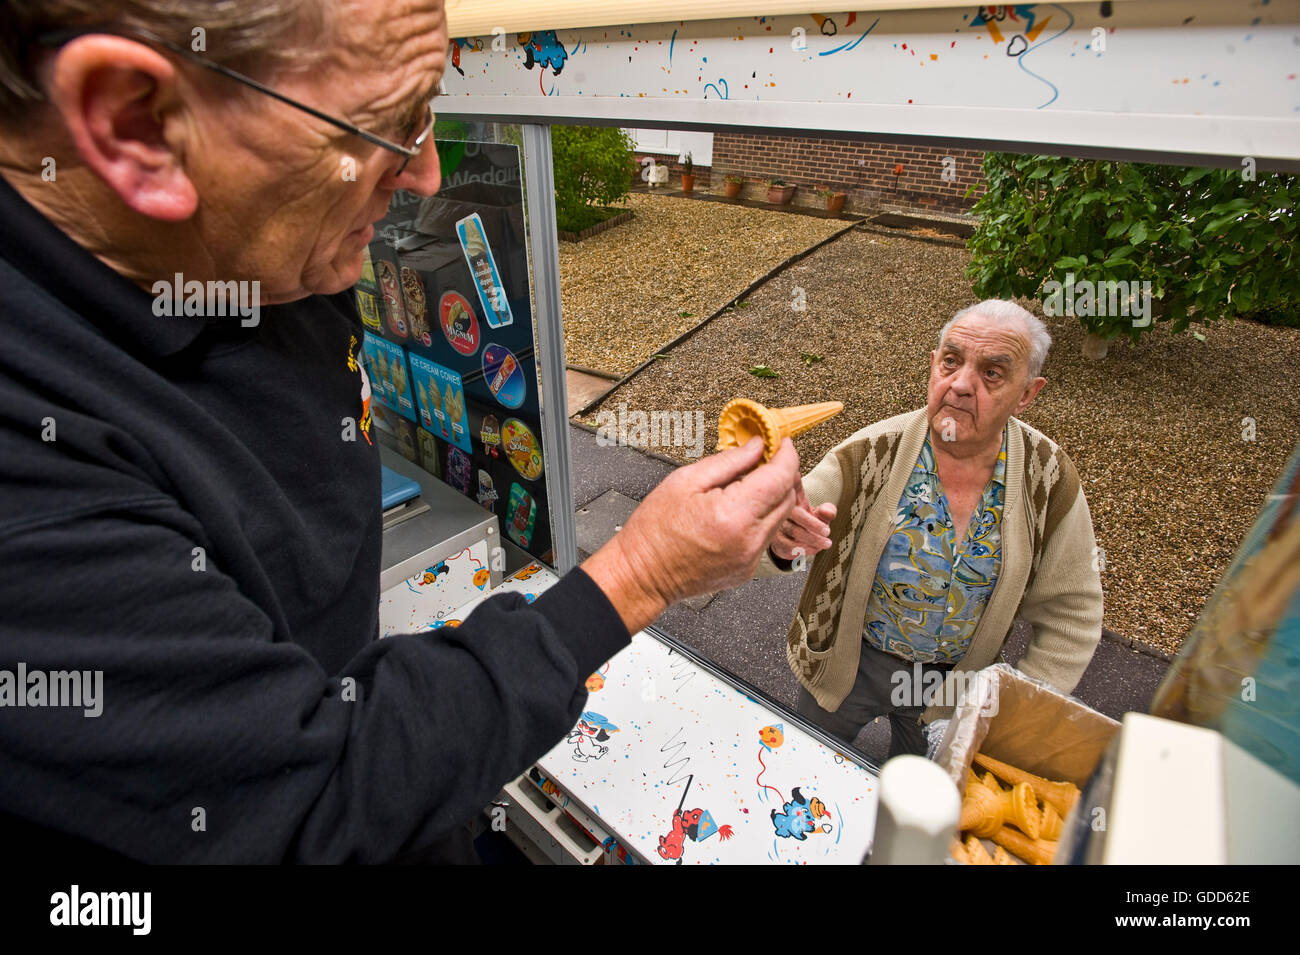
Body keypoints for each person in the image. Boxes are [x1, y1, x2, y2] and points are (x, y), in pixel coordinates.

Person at [0, 1, 801, 862]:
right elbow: (312, 799)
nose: (423, 174)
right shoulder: (33, 474)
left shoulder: (267, 248)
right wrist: (644, 570)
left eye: (432, 111)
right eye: (390, 124)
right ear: (136, 126)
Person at [764, 300, 1104, 758]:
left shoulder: (1049, 480)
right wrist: (777, 539)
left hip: (955, 687)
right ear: (934, 365)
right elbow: (771, 533)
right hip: (848, 664)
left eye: (992, 373)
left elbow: (1073, 613)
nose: (961, 384)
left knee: (918, 805)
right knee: (807, 775)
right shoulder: (868, 454)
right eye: (951, 361)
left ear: (1027, 393)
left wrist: (1013, 709)